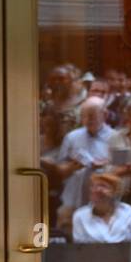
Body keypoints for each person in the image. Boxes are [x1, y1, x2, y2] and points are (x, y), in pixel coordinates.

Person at [46, 97, 115, 230]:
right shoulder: (72, 137)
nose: (87, 120)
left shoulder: (115, 138)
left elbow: (121, 169)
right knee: (66, 235)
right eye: (84, 116)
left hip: (103, 202)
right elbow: (59, 170)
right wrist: (72, 166)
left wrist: (105, 165)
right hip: (72, 199)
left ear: (104, 115)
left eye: (92, 115)